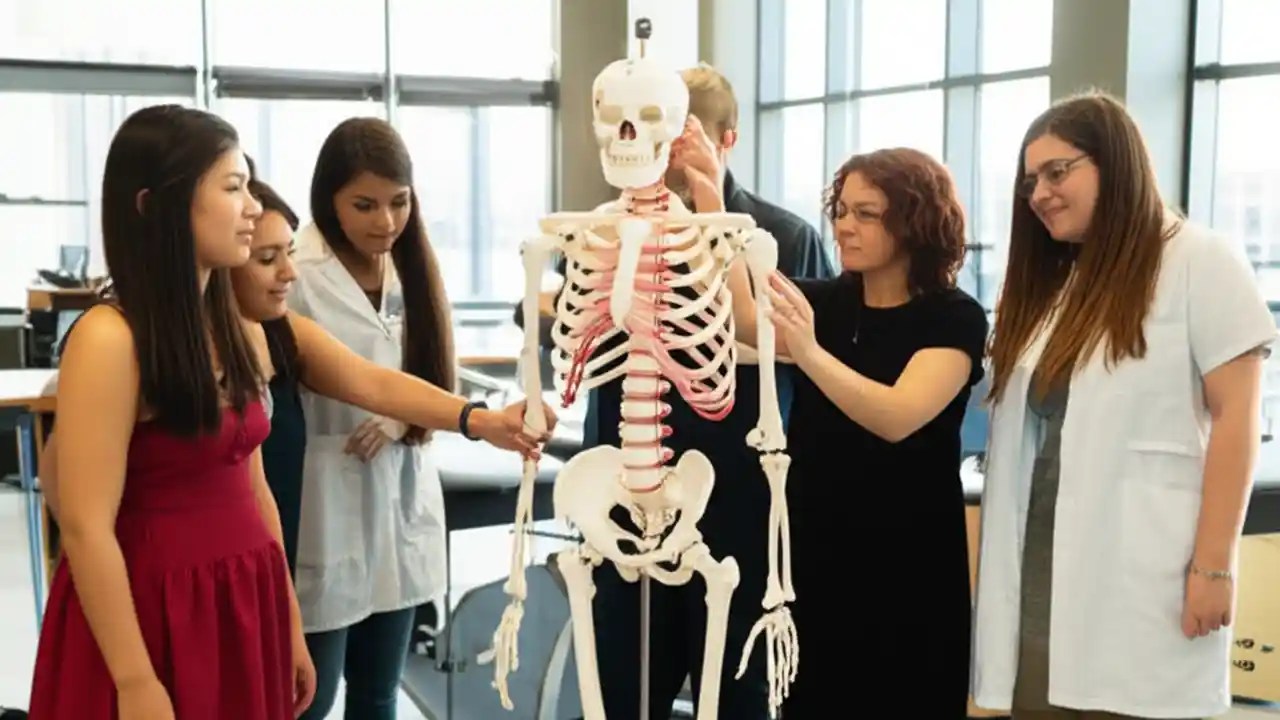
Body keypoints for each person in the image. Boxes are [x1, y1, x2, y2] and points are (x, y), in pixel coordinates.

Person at [972, 91, 1275, 719]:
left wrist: (1214, 567)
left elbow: (1238, 419)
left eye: (1059, 171)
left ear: (1117, 163)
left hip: (1145, 573)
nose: (1040, 194)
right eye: (1031, 180)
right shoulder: (1061, 284)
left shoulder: (1200, 259)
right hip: (1040, 570)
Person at [26, 104, 316, 719]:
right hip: (152, 616)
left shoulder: (233, 325)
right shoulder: (112, 339)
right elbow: (84, 524)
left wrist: (288, 619)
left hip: (241, 600)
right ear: (155, 205)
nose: (252, 209)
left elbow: (254, 488)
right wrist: (134, 681)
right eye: (233, 188)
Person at [584, 64, 837, 719]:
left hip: (738, 508)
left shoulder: (782, 237)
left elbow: (806, 358)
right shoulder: (608, 234)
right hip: (626, 503)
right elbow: (586, 343)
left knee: (735, 692)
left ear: (725, 138)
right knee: (621, 686)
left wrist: (712, 211)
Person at [734, 146, 988, 717]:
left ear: (914, 223)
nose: (844, 226)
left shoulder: (955, 317)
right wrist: (713, 207)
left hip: (906, 567)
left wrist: (807, 350)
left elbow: (897, 415)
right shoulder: (829, 301)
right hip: (818, 556)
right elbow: (746, 319)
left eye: (866, 214)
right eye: (842, 210)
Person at [287, 116, 458, 720]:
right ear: (329, 198)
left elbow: (431, 376)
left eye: (399, 202)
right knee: (312, 695)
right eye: (364, 205)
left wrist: (399, 422)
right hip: (324, 499)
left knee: (379, 692)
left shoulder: (411, 265)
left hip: (401, 492)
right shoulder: (296, 271)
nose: (385, 222)